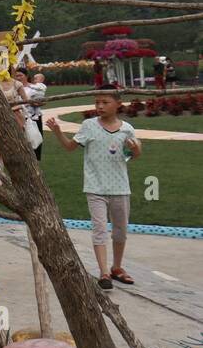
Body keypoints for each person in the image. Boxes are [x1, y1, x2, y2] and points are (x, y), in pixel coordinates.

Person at [46, 86, 140, 290]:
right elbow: (70, 147)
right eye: (97, 102)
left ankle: (117, 267)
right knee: (99, 230)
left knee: (120, 231)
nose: (99, 106)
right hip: (95, 187)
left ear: (117, 104)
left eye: (105, 102)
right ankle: (104, 272)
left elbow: (131, 155)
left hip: (120, 188)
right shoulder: (89, 125)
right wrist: (57, 132)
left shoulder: (127, 129)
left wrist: (135, 149)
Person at [12, 67, 46, 159]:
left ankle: (35, 166)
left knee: (35, 141)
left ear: (26, 76)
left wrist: (33, 103)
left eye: (20, 75)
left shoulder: (34, 88)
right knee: (22, 145)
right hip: (18, 120)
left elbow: (42, 102)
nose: (18, 78)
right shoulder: (13, 89)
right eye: (16, 76)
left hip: (33, 119)